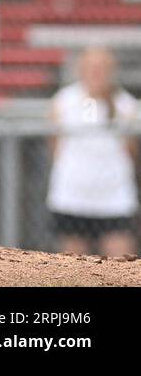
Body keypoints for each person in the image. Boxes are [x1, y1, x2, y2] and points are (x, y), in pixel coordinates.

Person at [46, 47, 138, 257]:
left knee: (120, 264)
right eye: (91, 68)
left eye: (102, 68)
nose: (97, 73)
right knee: (73, 267)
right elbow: (54, 146)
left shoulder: (126, 105)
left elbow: (131, 151)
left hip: (113, 199)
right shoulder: (64, 101)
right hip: (73, 197)